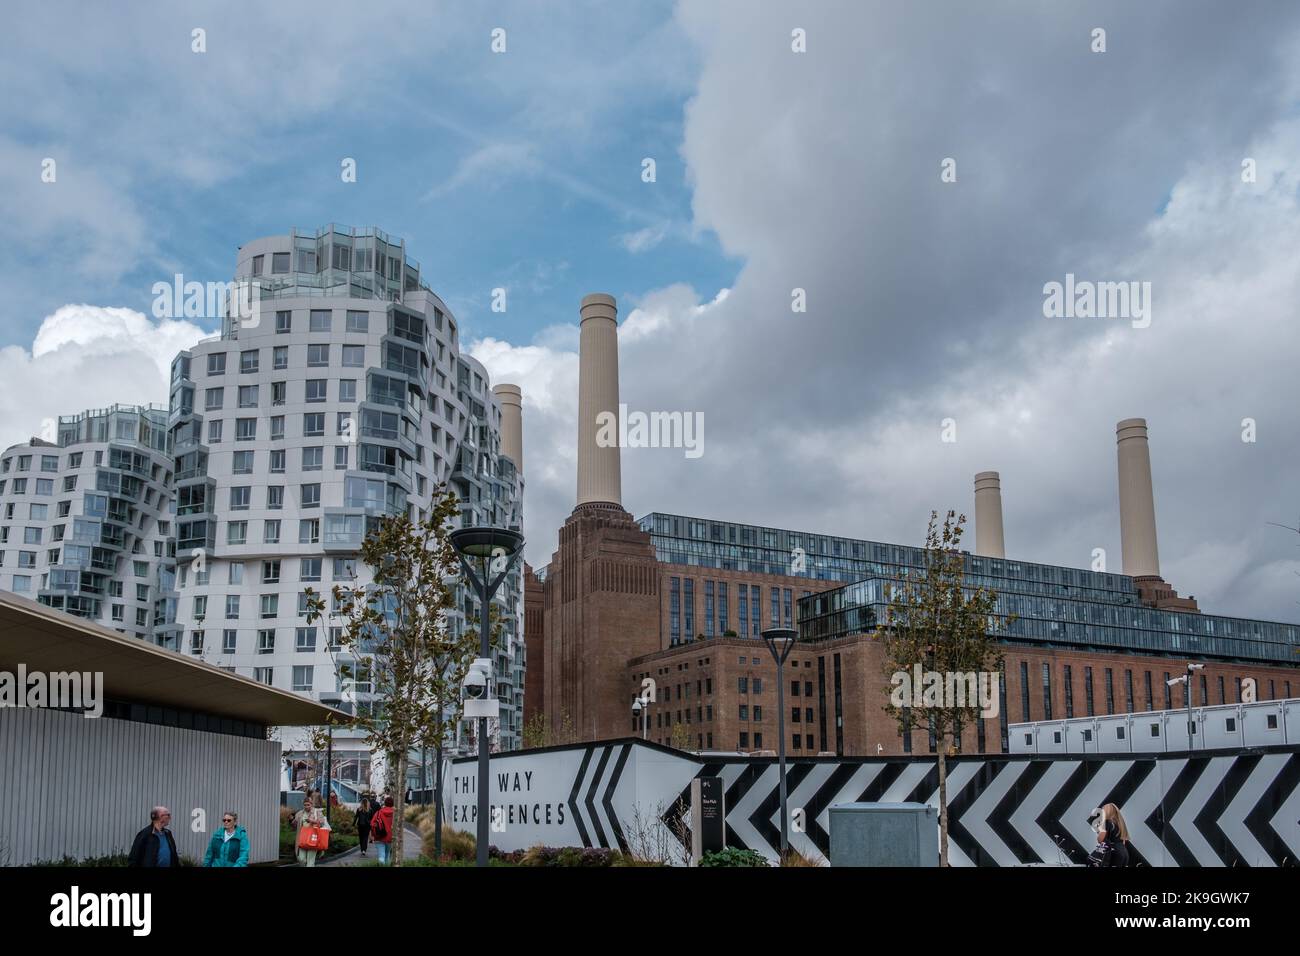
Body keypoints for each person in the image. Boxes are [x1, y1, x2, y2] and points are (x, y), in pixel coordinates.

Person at [1089, 803, 1131, 867]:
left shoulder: (1107, 822)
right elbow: (1123, 841)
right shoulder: (1120, 825)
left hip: (1113, 852)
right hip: (1124, 852)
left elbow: (1100, 840)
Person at [295, 795, 331, 867]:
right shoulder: (300, 813)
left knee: (310, 862)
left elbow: (322, 823)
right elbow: (295, 822)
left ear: (311, 804)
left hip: (313, 838)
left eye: (308, 805)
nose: (306, 806)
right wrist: (292, 820)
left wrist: (312, 821)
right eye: (305, 805)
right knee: (301, 859)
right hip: (303, 838)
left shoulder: (317, 812)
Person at [370, 796, 395, 865]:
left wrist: (372, 835)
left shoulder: (378, 813)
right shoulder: (395, 814)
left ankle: (381, 862)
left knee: (381, 855)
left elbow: (372, 824)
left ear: (385, 803)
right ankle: (386, 864)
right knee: (387, 855)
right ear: (393, 804)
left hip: (379, 836)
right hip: (390, 837)